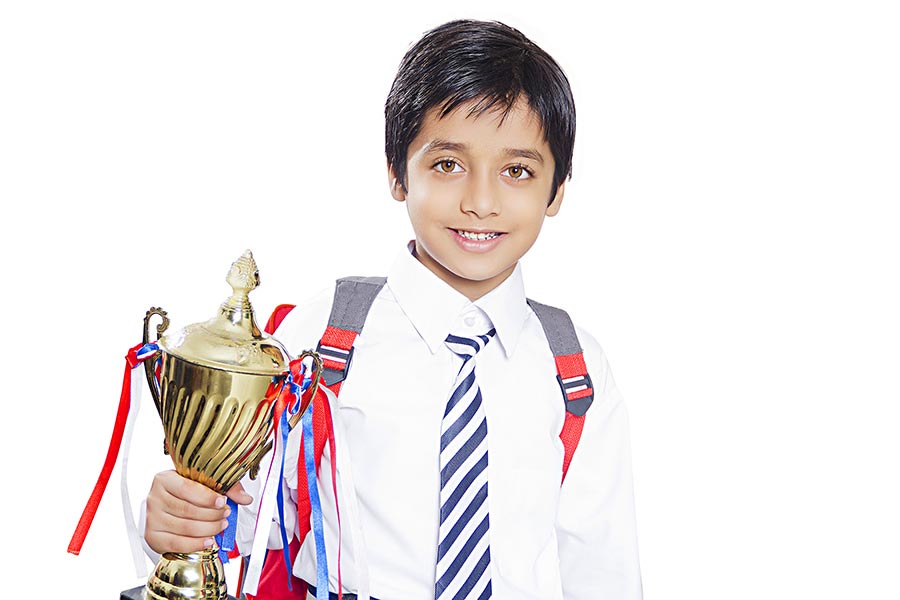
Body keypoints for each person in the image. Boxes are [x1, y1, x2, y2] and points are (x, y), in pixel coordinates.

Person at [144, 19, 642, 599]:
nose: (480, 202)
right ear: (396, 173)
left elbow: (601, 564)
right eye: (448, 164)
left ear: (556, 190)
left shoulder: (574, 365)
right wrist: (185, 518)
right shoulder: (325, 333)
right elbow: (254, 525)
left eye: (517, 171)